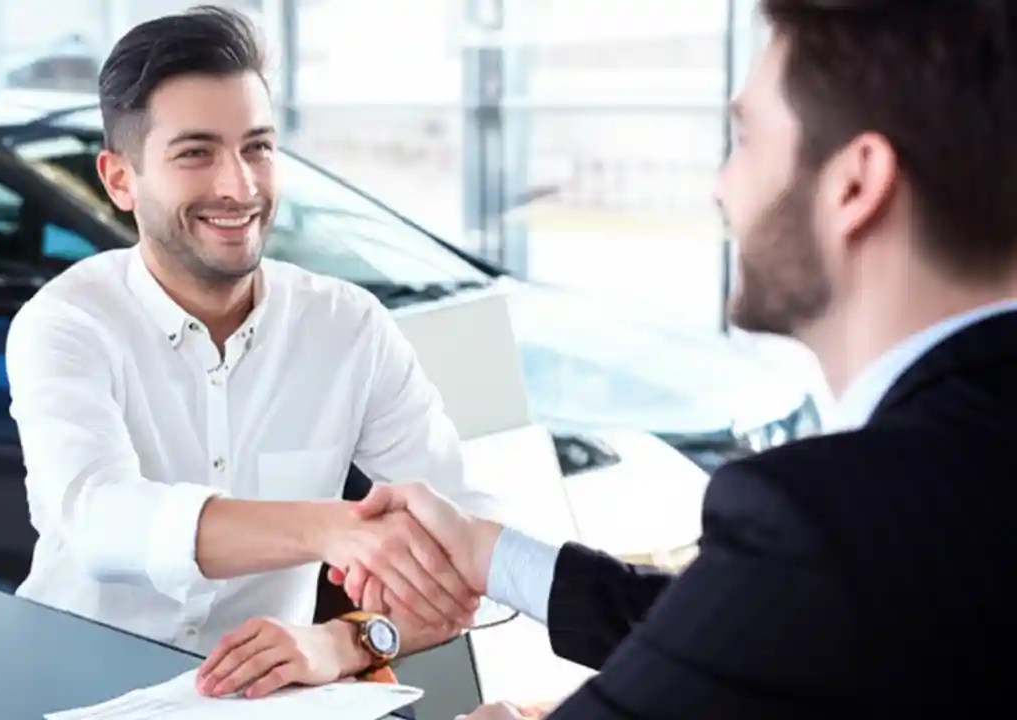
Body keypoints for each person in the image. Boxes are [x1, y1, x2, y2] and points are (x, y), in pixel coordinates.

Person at [330, 0, 1017, 717]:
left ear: (855, 183)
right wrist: (488, 552)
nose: (721, 186)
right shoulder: (950, 475)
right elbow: (758, 630)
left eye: (746, 138)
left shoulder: (832, 519)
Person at [4, 5, 501, 695]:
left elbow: (465, 549)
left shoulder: (350, 328)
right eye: (195, 153)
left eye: (258, 147)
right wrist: (327, 529)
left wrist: (344, 641)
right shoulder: (65, 323)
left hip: (262, 704)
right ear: (120, 179)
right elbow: (99, 519)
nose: (238, 186)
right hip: (76, 689)